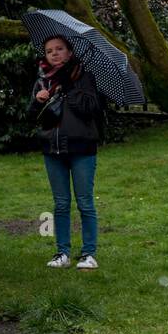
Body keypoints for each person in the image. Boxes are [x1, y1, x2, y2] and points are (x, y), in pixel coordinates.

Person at [31, 35, 104, 270]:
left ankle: (88, 254)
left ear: (70, 52)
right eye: (49, 50)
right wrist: (38, 100)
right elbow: (31, 116)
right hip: (53, 150)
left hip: (82, 148)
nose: (54, 53)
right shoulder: (42, 82)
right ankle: (62, 252)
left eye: (60, 49)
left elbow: (91, 108)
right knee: (61, 204)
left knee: (84, 202)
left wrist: (70, 88)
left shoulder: (84, 77)